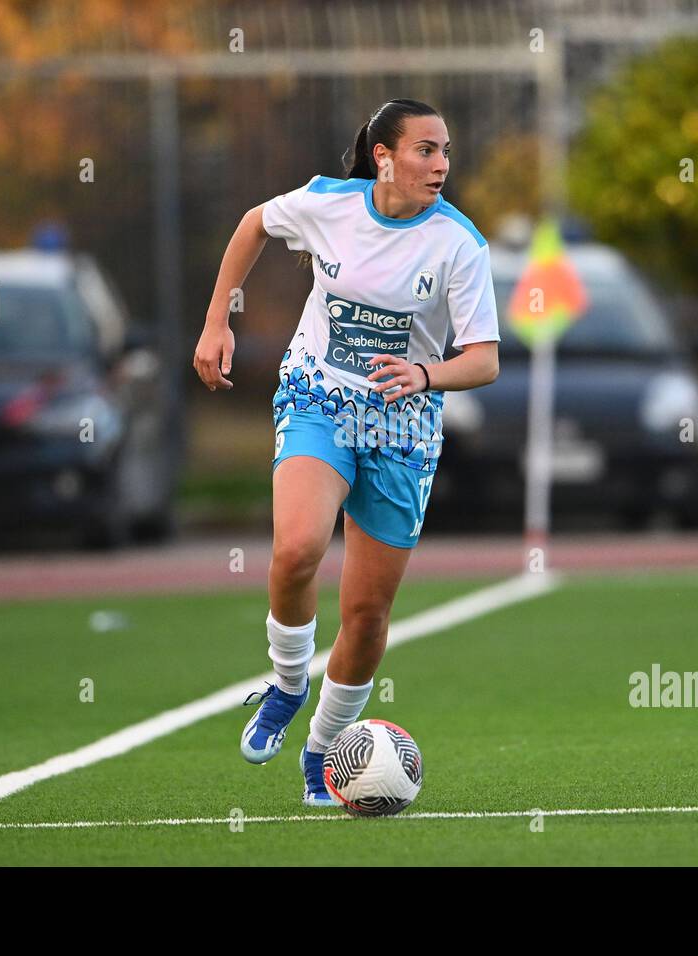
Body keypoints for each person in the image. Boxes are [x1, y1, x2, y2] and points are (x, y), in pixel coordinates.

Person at [192, 99, 501, 806]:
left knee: (366, 613)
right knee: (297, 549)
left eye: (446, 150)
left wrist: (425, 374)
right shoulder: (329, 203)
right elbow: (252, 226)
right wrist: (217, 323)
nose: (442, 164)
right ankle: (288, 680)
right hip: (319, 398)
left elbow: (483, 360)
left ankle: (325, 751)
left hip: (402, 426)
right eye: (426, 149)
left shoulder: (459, 244)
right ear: (384, 156)